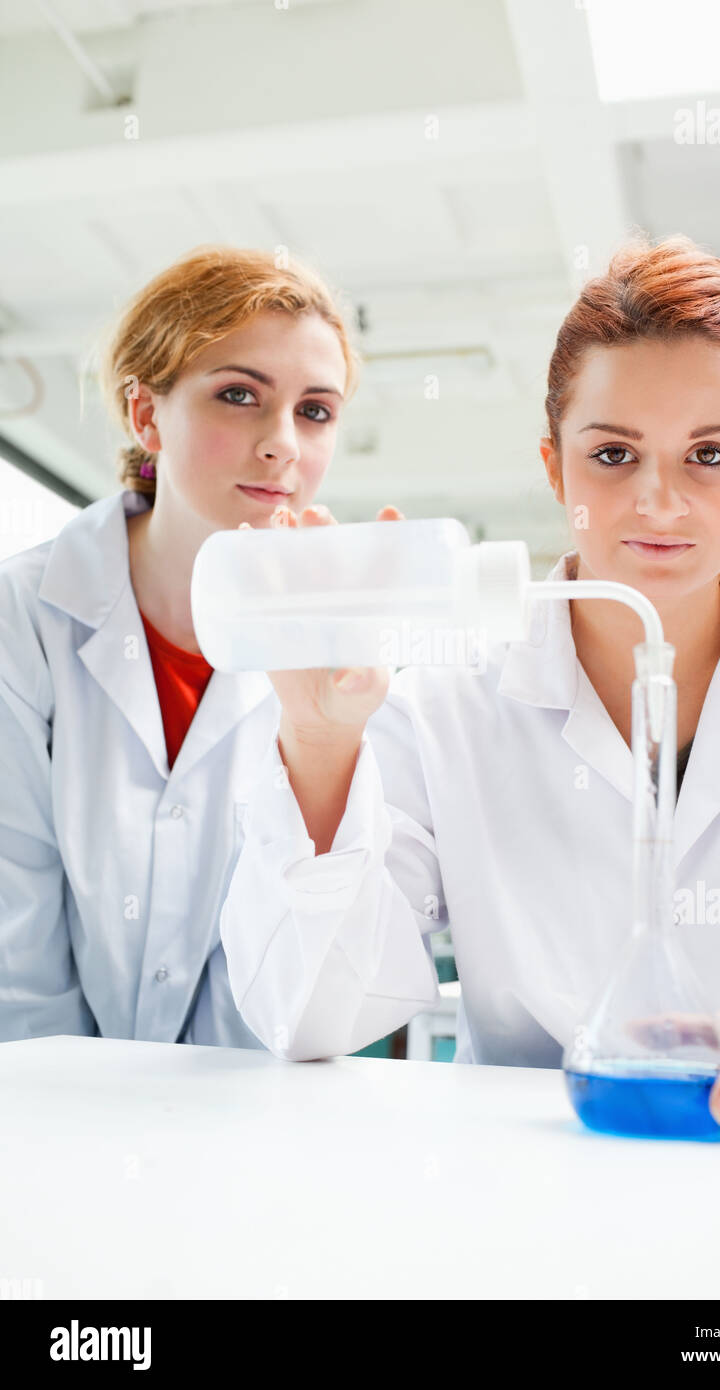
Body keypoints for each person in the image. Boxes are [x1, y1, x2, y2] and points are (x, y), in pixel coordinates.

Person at [221, 235, 720, 1143]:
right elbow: (312, 1015)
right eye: (612, 456)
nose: (660, 502)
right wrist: (319, 738)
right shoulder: (445, 707)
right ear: (555, 466)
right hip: (529, 1207)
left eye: (708, 457)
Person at [0, 243, 399, 1047]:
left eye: (315, 410)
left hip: (247, 1129)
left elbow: (310, 979)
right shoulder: (24, 619)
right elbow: (17, 951)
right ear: (146, 414)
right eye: (240, 395)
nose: (283, 441)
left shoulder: (345, 652)